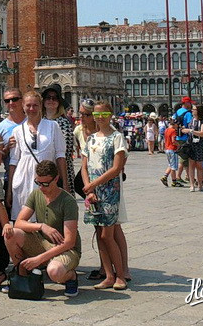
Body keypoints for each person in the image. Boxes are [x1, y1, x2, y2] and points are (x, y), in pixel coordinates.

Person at [3, 160, 81, 297]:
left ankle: (71, 277)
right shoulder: (36, 194)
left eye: (45, 184)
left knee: (55, 272)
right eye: (38, 183)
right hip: (42, 242)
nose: (41, 187)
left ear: (56, 179)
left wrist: (39, 259)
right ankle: (22, 275)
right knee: (12, 234)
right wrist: (42, 226)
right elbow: (19, 222)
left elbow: (69, 242)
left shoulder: (68, 201)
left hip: (64, 248)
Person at [81, 102, 129, 290]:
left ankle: (120, 275)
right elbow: (84, 167)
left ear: (110, 115)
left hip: (110, 191)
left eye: (104, 114)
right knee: (99, 235)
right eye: (97, 114)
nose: (100, 117)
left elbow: (117, 168)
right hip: (93, 192)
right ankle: (109, 275)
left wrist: (93, 185)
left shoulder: (117, 137)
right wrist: (89, 189)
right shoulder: (91, 139)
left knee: (107, 235)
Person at [7, 91, 67, 220]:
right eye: (28, 105)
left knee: (49, 218)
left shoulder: (53, 126)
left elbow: (60, 156)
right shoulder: (18, 130)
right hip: (24, 180)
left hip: (47, 180)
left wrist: (65, 185)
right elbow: (13, 161)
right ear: (23, 106)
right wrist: (9, 191)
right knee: (24, 220)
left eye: (35, 105)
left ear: (41, 106)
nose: (31, 109)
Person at [42, 84, 75, 194]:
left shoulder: (64, 123)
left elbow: (66, 152)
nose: (51, 100)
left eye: (55, 98)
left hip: (61, 170)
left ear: (59, 102)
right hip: (43, 170)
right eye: (48, 98)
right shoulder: (39, 121)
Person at [0, 89, 24, 206]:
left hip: (33, 177)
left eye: (15, 99)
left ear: (22, 100)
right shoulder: (0, 128)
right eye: (7, 100)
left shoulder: (32, 122)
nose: (11, 103)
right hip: (11, 178)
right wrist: (7, 148)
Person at [182, 105, 203, 192]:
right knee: (191, 165)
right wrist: (184, 130)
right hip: (191, 144)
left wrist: (190, 131)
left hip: (199, 145)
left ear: (198, 111)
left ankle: (200, 185)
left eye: (193, 109)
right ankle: (192, 185)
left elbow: (202, 133)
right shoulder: (192, 120)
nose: (192, 111)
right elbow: (189, 130)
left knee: (199, 166)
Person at [161, 118, 184, 188]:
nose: (178, 126)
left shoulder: (166, 130)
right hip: (172, 149)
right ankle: (174, 181)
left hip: (167, 149)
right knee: (173, 167)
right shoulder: (173, 130)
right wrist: (179, 145)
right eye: (177, 125)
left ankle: (165, 177)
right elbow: (173, 141)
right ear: (174, 124)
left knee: (171, 164)